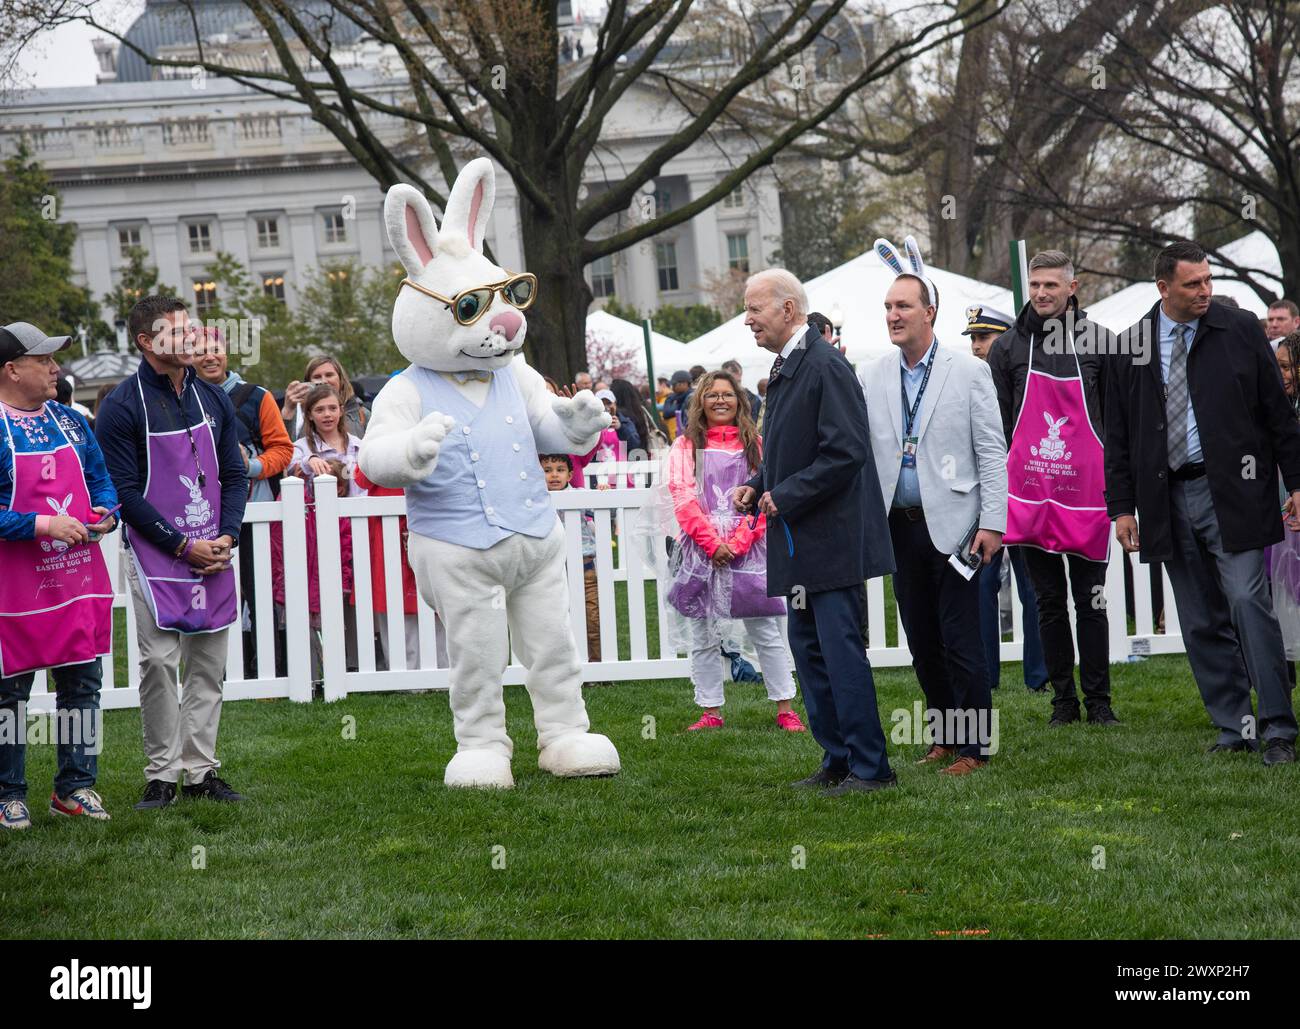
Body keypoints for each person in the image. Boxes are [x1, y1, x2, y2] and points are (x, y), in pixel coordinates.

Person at [1106, 241, 1300, 765]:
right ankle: (1234, 726)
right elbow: (1118, 437)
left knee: (1245, 601)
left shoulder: (1238, 331)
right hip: (1165, 498)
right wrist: (1122, 507)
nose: (1205, 292)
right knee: (1198, 617)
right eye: (1193, 284)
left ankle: (1278, 728)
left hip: (1234, 491)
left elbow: (1278, 414)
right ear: (1163, 288)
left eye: (1208, 280)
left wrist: (1297, 481)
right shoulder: (1133, 346)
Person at [733, 268, 897, 795]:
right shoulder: (788, 366)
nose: (748, 318)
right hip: (800, 541)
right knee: (810, 652)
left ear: (788, 309)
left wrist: (786, 495)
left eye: (755, 307)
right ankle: (837, 758)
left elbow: (846, 451)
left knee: (839, 651)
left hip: (832, 540)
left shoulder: (826, 365)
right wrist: (758, 484)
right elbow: (792, 448)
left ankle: (871, 767)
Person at [860, 237, 1006, 776]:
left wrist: (993, 521)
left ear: (930, 312)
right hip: (899, 528)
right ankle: (945, 737)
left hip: (960, 528)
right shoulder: (873, 374)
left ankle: (975, 749)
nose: (893, 316)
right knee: (922, 639)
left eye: (903, 306)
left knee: (962, 640)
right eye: (888, 308)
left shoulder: (968, 372)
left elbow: (992, 452)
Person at [95, 295, 248, 808]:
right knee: (159, 663)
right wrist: (184, 545)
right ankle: (161, 776)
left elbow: (232, 474)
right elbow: (124, 491)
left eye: (193, 330)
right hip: (156, 554)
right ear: (146, 342)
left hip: (215, 549)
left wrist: (227, 536)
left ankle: (202, 773)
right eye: (179, 333)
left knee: (208, 665)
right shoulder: (121, 405)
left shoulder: (213, 399)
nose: (193, 340)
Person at [987, 253, 1118, 726]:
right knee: (1047, 602)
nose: (1041, 293)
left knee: (1092, 601)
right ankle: (1063, 701)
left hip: (1087, 496)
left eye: (1050, 285)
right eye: (1035, 285)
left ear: (1072, 287)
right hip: (1028, 497)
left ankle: (1099, 702)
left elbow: (1115, 423)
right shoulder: (1007, 348)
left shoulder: (1102, 343)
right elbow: (998, 427)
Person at [0, 322, 118, 829]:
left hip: (74, 579)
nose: (55, 369)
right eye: (43, 360)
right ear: (11, 369)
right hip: (15, 587)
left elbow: (101, 480)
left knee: (82, 685)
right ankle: (8, 794)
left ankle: (75, 787)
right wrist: (42, 523)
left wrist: (107, 513)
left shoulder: (72, 421)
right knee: (9, 695)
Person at [668, 370, 802, 731]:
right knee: (703, 632)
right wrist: (712, 543)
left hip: (750, 549)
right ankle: (710, 709)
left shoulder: (756, 444)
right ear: (701, 402)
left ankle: (785, 706)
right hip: (701, 550)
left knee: (765, 630)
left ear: (739, 400)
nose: (720, 401)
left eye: (727, 394)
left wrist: (739, 542)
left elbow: (764, 495)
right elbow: (682, 497)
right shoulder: (685, 447)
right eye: (711, 395)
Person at [192, 327, 295, 678]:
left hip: (255, 513)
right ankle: (217, 672)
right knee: (209, 590)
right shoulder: (182, 399)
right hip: (202, 517)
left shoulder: (257, 396)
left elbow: (282, 449)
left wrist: (248, 466)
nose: (209, 356)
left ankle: (267, 667)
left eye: (215, 348)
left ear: (226, 352)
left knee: (259, 589)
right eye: (200, 350)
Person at [963, 305, 1048, 693]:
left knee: (1033, 586)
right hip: (984, 496)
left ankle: (1039, 675)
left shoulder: (1030, 379)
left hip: (1026, 492)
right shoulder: (967, 382)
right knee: (981, 586)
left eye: (985, 337)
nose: (978, 346)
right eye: (974, 339)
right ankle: (986, 675)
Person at [287, 383, 365, 677]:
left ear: (341, 410)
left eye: (332, 408)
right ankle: (324, 667)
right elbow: (292, 467)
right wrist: (310, 461)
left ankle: (359, 661)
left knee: (357, 595)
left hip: (355, 530)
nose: (327, 414)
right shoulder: (302, 448)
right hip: (317, 537)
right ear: (309, 415)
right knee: (322, 597)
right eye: (319, 409)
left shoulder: (358, 445)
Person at [541, 454, 602, 661]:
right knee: (555, 619)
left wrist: (603, 493)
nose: (554, 475)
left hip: (585, 569)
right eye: (547, 470)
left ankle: (596, 664)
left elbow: (603, 506)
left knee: (592, 617)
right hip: (551, 571)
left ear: (570, 474)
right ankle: (563, 664)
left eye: (559, 470)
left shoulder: (579, 495)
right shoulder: (537, 500)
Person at [282, 355, 370, 439]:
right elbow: (285, 447)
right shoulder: (300, 415)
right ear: (308, 383)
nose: (324, 381)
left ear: (341, 380)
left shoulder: (362, 414)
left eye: (329, 375)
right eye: (317, 377)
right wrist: (288, 411)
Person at [661, 370, 692, 442]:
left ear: (684, 384)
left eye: (674, 384)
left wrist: (669, 398)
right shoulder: (680, 397)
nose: (672, 388)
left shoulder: (690, 398)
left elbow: (667, 413)